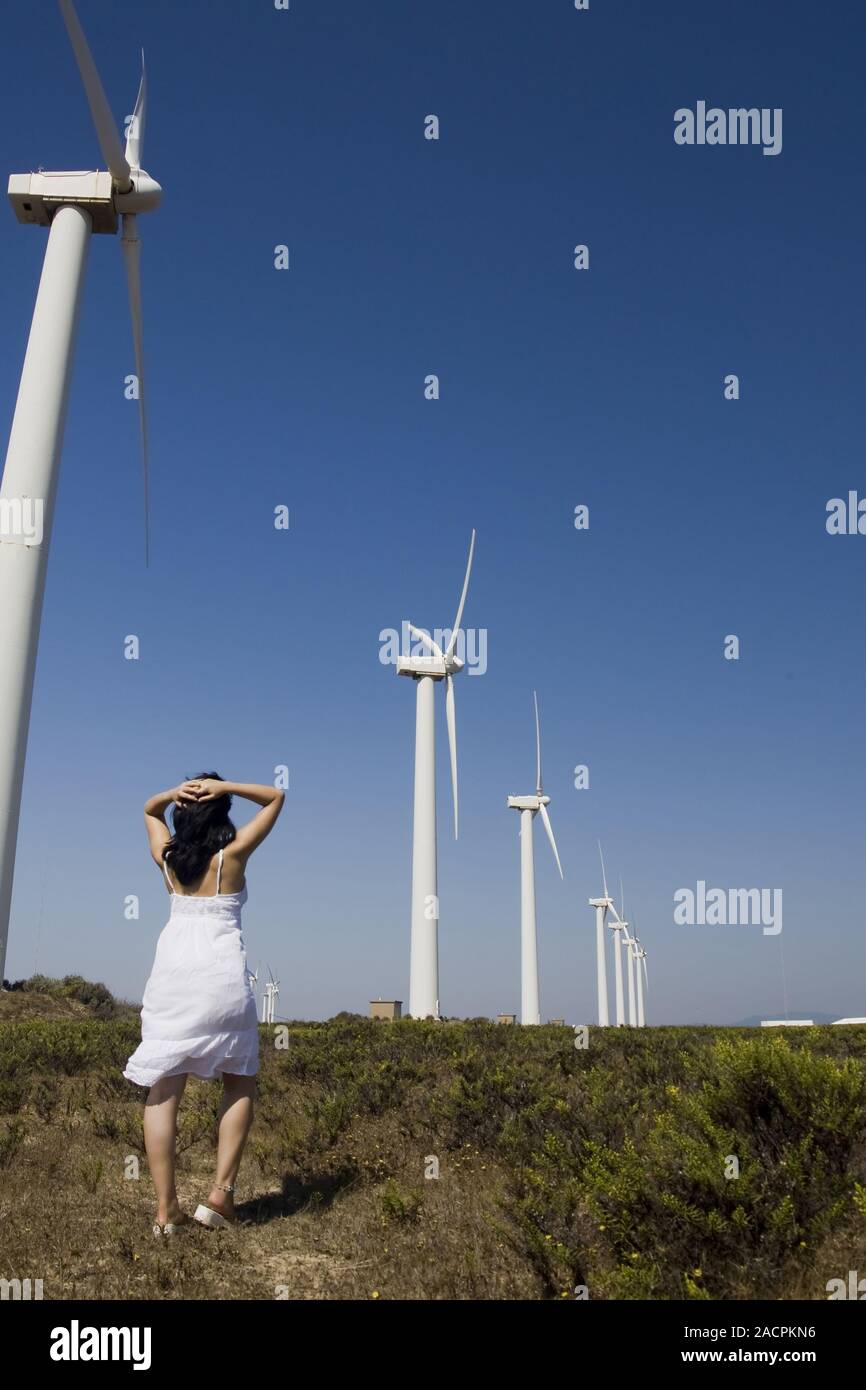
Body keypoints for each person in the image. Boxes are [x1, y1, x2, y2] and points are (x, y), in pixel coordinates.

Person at [124, 774, 284, 1234]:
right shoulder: (231, 858)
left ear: (183, 811)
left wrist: (172, 793)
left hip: (172, 978)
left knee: (164, 1087)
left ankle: (165, 1211)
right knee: (239, 1080)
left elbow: (149, 811)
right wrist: (227, 787)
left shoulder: (168, 862)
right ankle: (220, 1197)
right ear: (220, 811)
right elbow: (276, 797)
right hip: (221, 981)